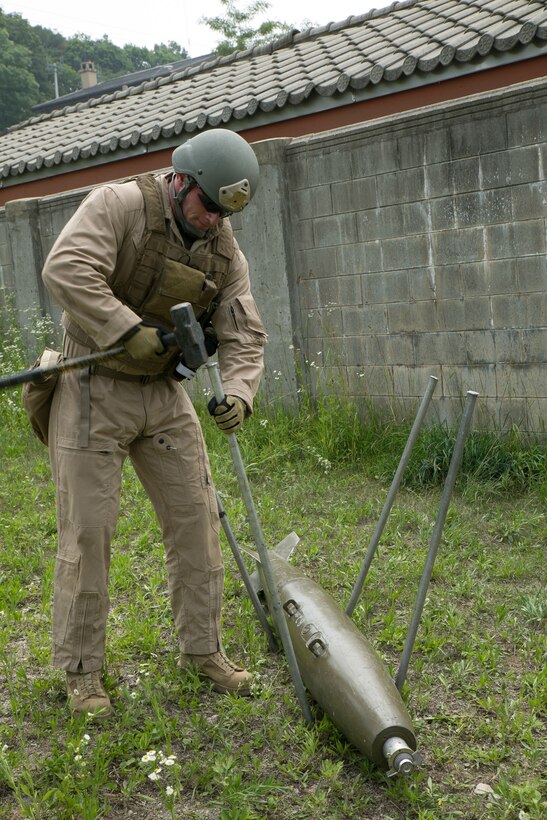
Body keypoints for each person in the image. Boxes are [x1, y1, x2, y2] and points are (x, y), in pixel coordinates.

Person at [42, 128, 267, 718]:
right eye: (209, 205)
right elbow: (65, 268)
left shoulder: (225, 252)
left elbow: (244, 330)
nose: (215, 220)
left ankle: (203, 651)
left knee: (198, 520)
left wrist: (239, 393)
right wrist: (125, 330)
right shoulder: (120, 205)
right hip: (94, 387)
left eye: (226, 212)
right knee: (89, 532)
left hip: (164, 394)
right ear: (182, 181)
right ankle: (83, 672)